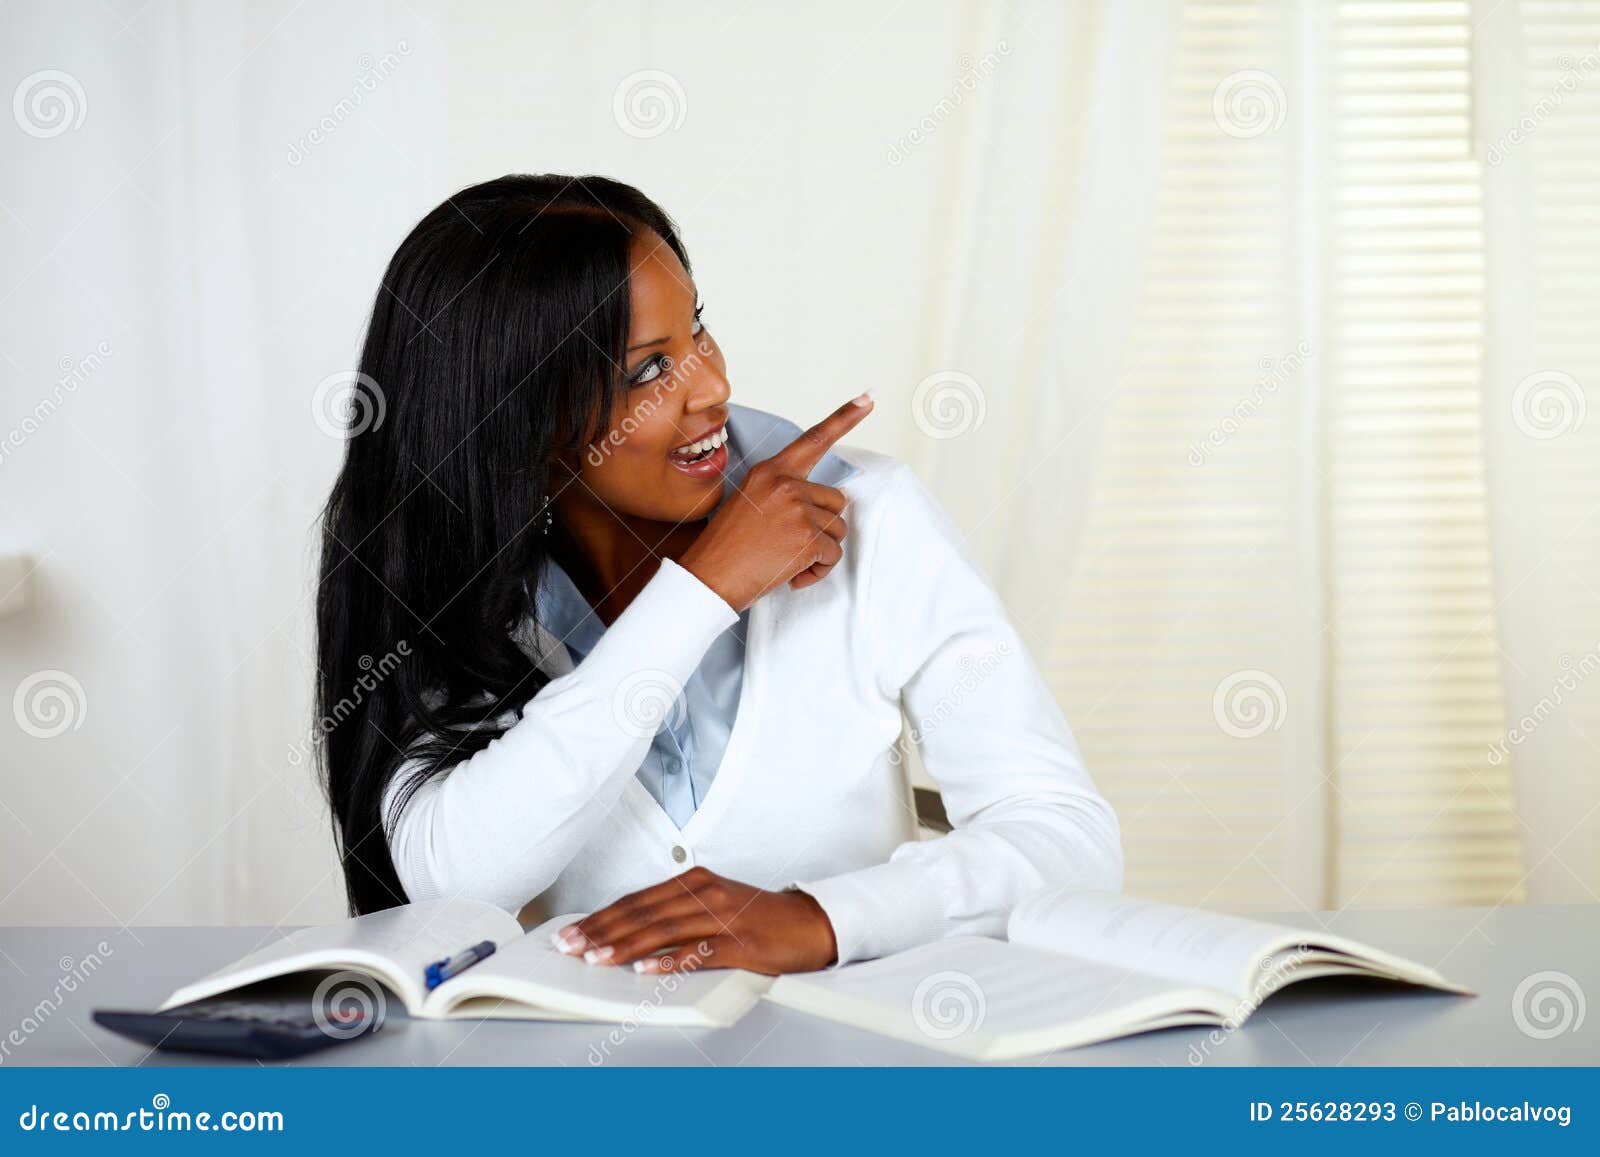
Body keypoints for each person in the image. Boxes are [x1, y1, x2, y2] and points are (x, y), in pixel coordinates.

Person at [315, 173, 1121, 975]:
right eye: (647, 370)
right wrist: (704, 591)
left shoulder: (868, 514)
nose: (713, 388)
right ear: (519, 412)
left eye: (696, 332)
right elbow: (454, 880)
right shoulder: (458, 574)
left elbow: (1066, 836)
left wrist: (822, 919)